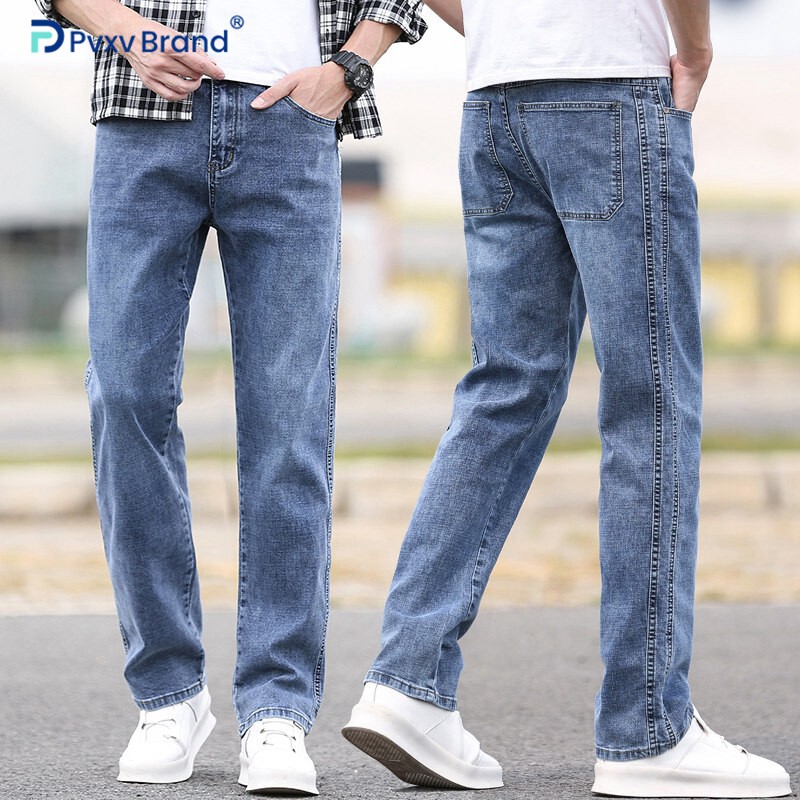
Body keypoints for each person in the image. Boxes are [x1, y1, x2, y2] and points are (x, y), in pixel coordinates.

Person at [342, 2, 793, 797]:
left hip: (495, 102)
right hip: (612, 86)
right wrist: (695, 48)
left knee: (503, 389)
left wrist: (504, 26)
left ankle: (406, 683)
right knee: (651, 402)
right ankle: (646, 730)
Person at [35, 0, 425, 793]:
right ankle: (168, 694)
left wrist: (350, 67)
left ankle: (278, 708)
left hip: (291, 115)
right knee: (124, 397)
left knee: (289, 421)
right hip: (144, 112)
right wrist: (129, 32)